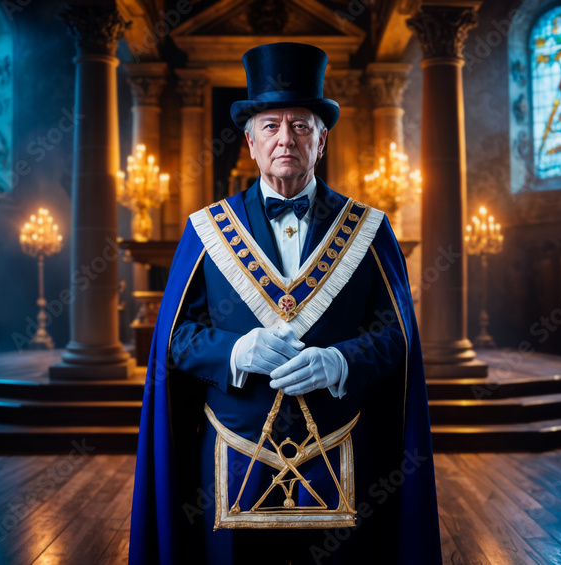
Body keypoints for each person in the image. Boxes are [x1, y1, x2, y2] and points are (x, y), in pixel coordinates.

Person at [129, 42, 441, 565]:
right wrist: (235, 352)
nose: (285, 139)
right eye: (271, 126)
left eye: (301, 126)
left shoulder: (370, 229)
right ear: (249, 142)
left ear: (322, 139)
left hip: (341, 451)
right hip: (232, 457)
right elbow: (175, 340)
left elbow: (396, 337)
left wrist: (342, 361)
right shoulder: (206, 230)